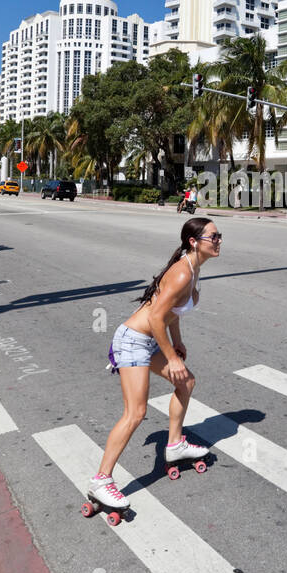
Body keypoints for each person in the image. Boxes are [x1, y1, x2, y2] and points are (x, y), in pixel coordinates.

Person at [88, 218, 222, 512]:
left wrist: (177, 342)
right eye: (213, 236)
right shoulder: (181, 274)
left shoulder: (193, 268)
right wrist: (171, 358)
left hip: (150, 341)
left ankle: (174, 445)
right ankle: (101, 480)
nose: (218, 241)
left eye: (218, 236)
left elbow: (172, 314)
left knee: (186, 382)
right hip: (134, 340)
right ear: (194, 241)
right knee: (135, 412)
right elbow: (154, 318)